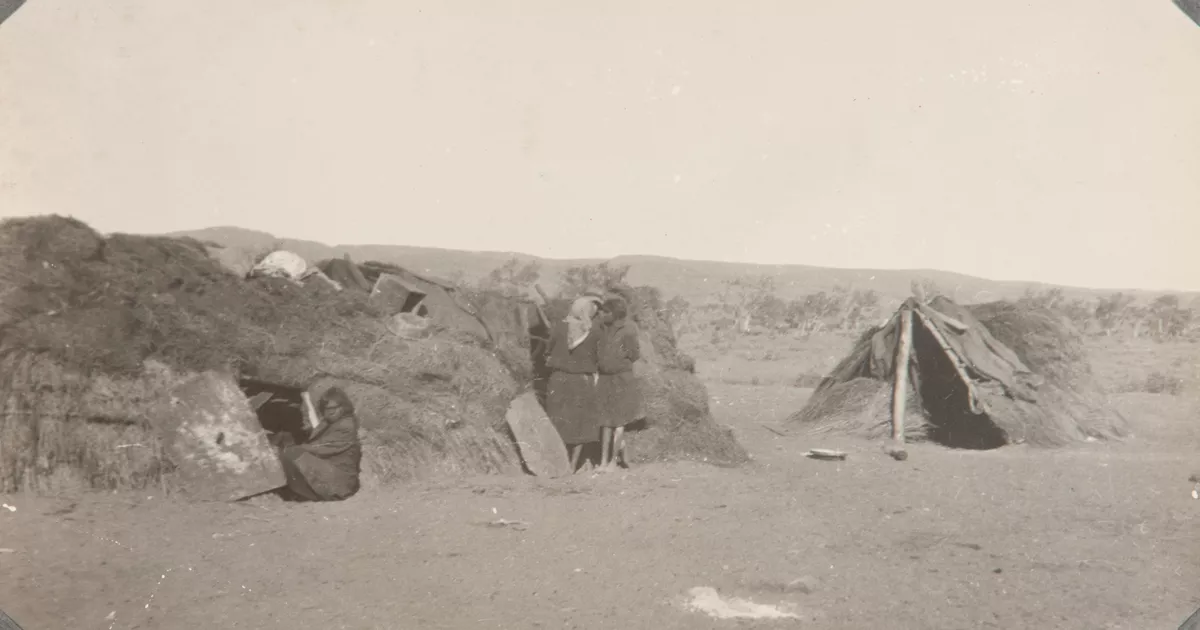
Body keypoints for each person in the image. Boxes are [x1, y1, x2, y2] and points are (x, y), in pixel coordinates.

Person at [544, 295, 603, 472]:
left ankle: (558, 464)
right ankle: (572, 465)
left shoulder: (559, 327)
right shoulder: (594, 331)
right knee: (580, 425)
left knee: (558, 422)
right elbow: (598, 356)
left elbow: (548, 350)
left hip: (558, 380)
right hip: (581, 382)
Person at [279, 387, 363, 501]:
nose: (330, 411)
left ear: (343, 407)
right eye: (326, 409)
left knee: (293, 453)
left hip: (341, 481)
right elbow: (316, 429)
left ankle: (306, 495)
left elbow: (321, 447)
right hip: (331, 473)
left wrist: (296, 448)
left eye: (334, 408)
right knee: (290, 452)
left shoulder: (346, 425)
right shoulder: (330, 422)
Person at [596, 295, 642, 472]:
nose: (602, 314)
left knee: (618, 422)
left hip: (622, 379)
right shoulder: (603, 328)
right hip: (605, 379)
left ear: (614, 314)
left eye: (606, 311)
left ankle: (613, 462)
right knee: (605, 422)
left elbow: (634, 354)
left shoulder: (628, 331)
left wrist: (619, 362)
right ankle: (602, 462)